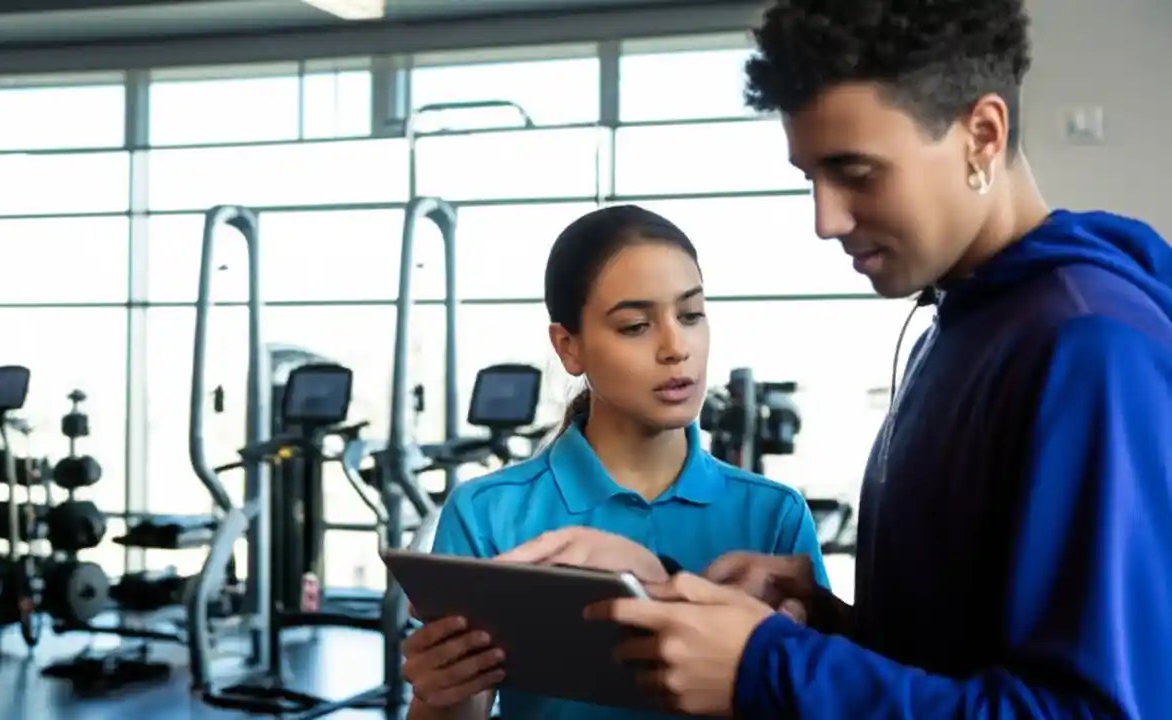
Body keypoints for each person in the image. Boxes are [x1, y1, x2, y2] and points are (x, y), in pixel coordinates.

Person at [500, 0, 1172, 717]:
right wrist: (816, 621)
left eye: (856, 172)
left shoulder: (1090, 347)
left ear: (981, 134)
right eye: (811, 176)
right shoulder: (956, 326)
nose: (827, 219)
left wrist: (770, 667)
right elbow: (959, 659)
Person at [400, 204, 830, 720]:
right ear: (568, 347)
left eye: (691, 315)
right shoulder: (486, 513)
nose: (676, 347)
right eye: (635, 326)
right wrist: (441, 695)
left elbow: (817, 697)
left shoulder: (773, 516)